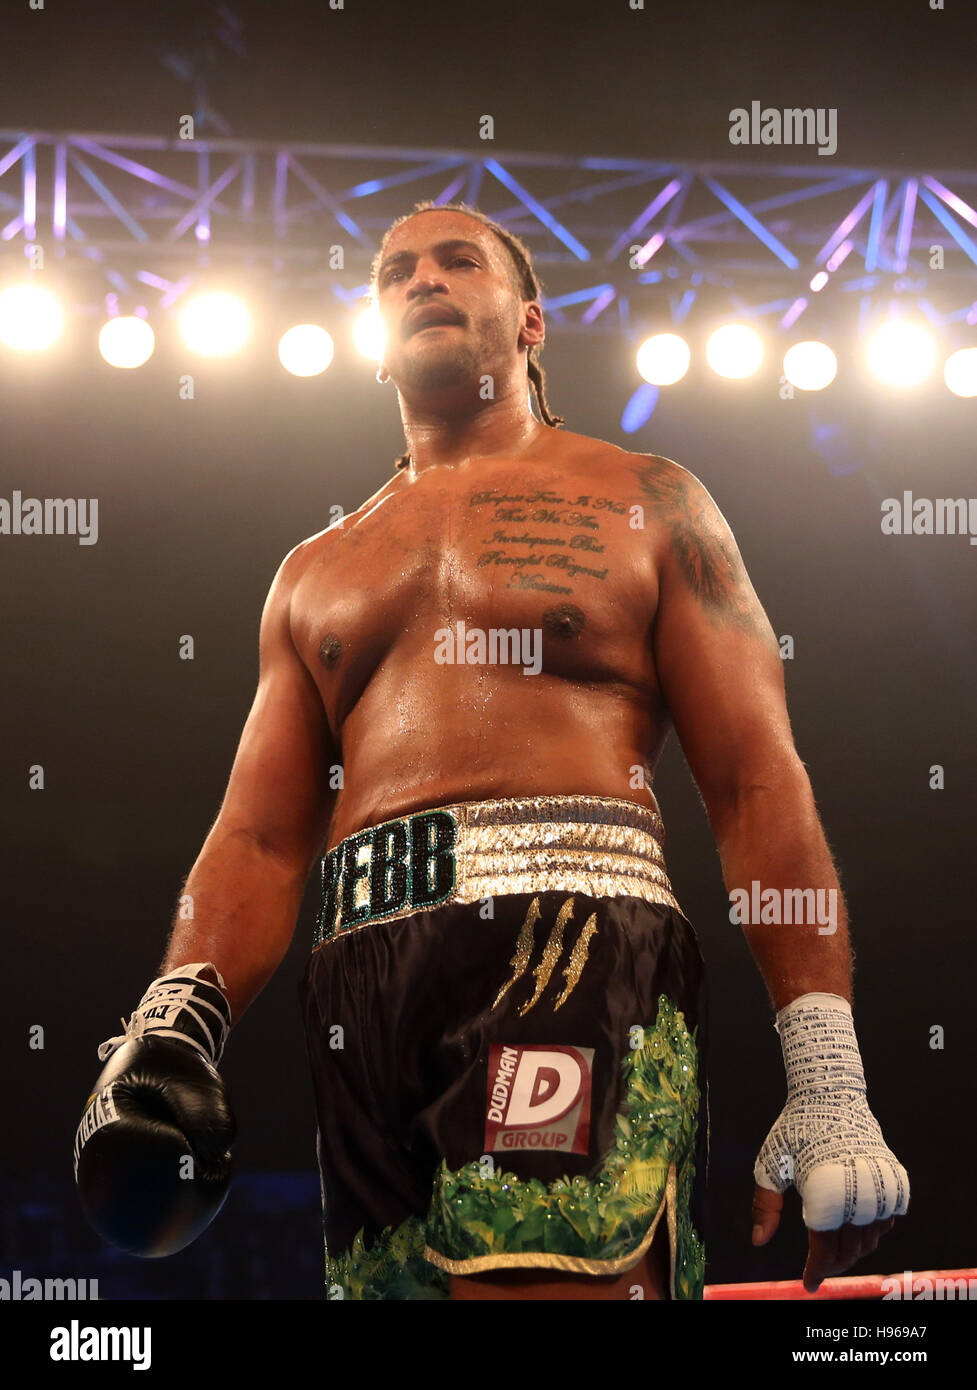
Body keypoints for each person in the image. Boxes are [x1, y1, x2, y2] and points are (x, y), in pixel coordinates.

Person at [74, 200, 908, 1301]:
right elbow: (263, 836)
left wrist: (825, 1069)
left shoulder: (643, 499)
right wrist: (179, 1011)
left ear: (528, 322)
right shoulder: (314, 567)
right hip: (359, 980)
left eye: (457, 262)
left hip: (566, 943)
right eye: (395, 271)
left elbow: (754, 781)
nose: (422, 279)